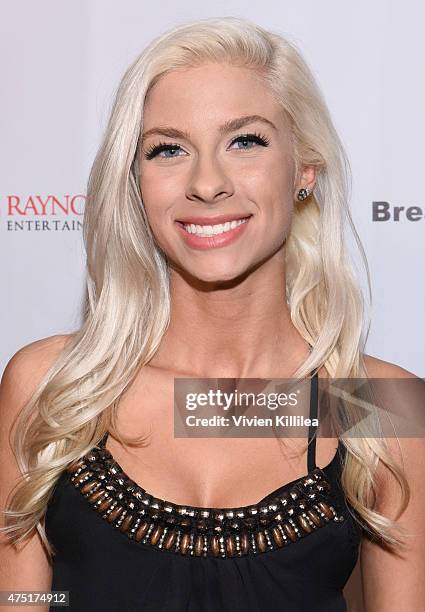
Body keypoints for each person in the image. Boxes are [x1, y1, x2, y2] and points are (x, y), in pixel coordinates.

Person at [1, 15, 424, 612]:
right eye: (168, 149)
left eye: (245, 140)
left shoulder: (374, 406)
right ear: (136, 182)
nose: (206, 183)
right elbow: (15, 598)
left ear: (304, 167)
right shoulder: (53, 387)